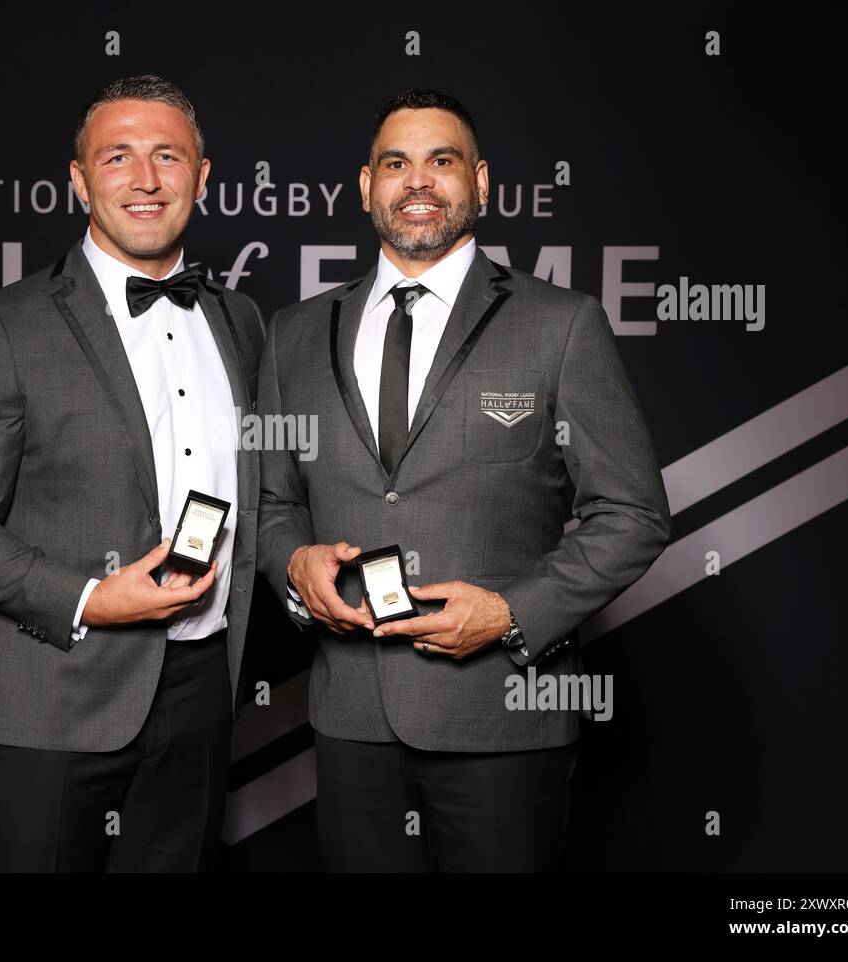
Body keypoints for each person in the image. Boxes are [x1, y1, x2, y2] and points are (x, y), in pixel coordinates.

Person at [257, 89, 670, 871]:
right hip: (352, 721)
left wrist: (514, 613)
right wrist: (292, 565)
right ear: (365, 186)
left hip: (503, 719)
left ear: (480, 182)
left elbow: (634, 513)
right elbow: (275, 503)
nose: (418, 181)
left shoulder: (560, 323)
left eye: (441, 162)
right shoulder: (295, 334)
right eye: (396, 164)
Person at [0, 75, 264, 872]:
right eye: (118, 158)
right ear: (78, 180)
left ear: (202, 177)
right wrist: (92, 597)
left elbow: (263, 496)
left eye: (167, 156)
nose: (145, 180)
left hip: (204, 685)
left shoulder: (237, 320)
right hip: (54, 695)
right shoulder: (5, 325)